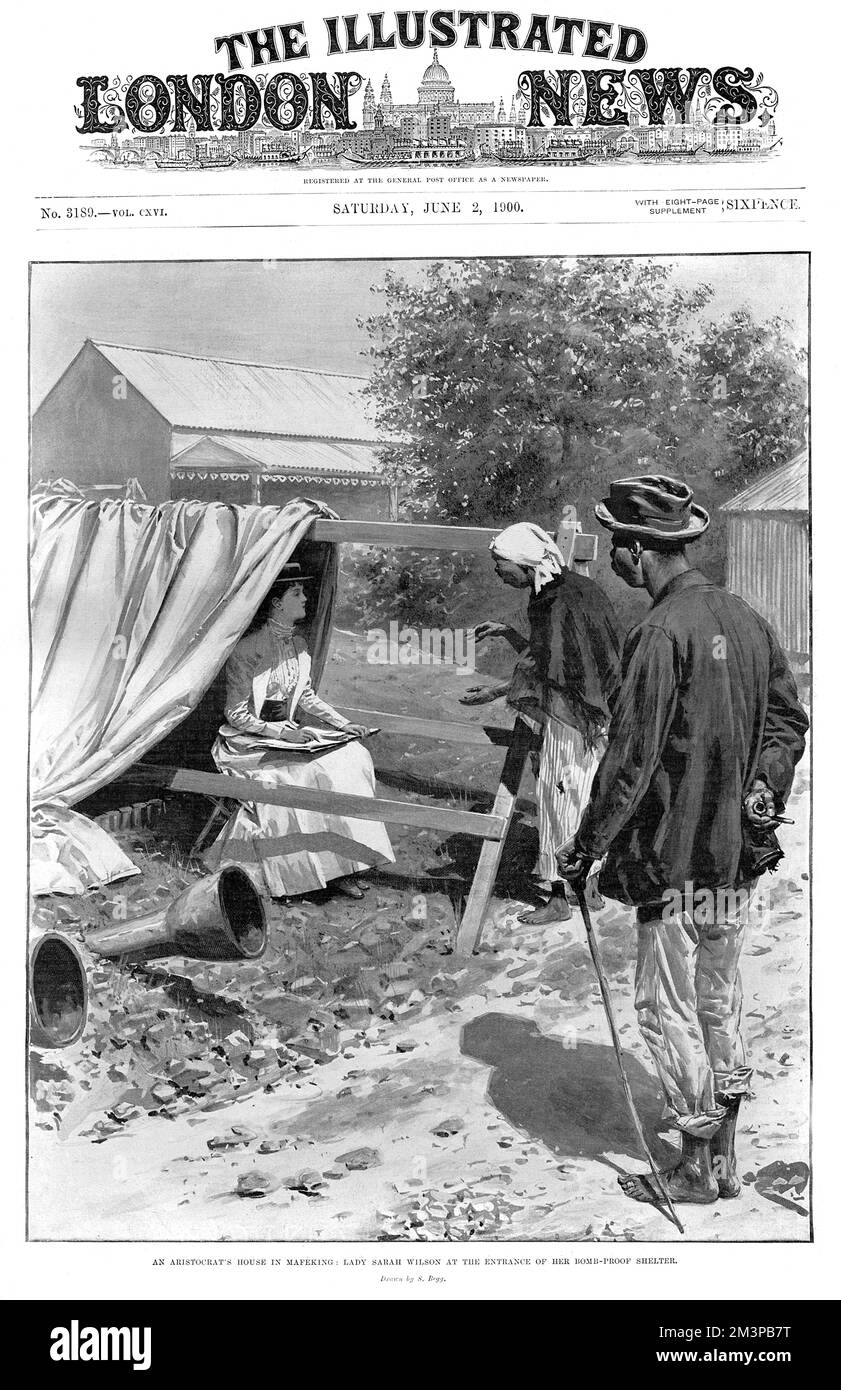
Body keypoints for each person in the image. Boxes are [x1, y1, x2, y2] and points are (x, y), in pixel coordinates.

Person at [558, 475, 809, 1206]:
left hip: (671, 861)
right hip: (733, 860)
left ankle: (695, 1167)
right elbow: (788, 725)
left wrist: (583, 850)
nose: (612, 560)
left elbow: (629, 760)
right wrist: (763, 788)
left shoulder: (659, 633)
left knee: (664, 1006)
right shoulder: (746, 616)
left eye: (615, 546)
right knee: (719, 999)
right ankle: (724, 1159)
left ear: (639, 551)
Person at [462, 522, 622, 924]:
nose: (499, 573)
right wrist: (509, 633)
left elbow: (552, 669)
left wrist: (496, 691)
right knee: (586, 794)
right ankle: (589, 887)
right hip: (594, 714)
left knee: (556, 798)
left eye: (502, 566)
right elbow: (553, 654)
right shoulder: (574, 590)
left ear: (525, 562)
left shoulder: (553, 602)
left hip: (570, 718)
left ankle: (557, 899)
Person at [204, 564, 395, 900]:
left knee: (353, 757)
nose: (305, 598)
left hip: (288, 735)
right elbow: (235, 714)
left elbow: (305, 696)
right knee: (303, 776)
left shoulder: (300, 645)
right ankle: (303, 876)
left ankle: (349, 863)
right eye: (297, 593)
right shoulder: (247, 650)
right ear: (276, 602)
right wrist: (279, 734)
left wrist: (341, 724)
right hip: (248, 742)